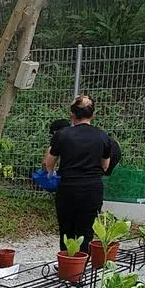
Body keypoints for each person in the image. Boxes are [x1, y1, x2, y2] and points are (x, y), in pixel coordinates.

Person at [43, 95, 112, 252]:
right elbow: (105, 166)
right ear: (93, 114)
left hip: (68, 188)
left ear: (71, 114)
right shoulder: (103, 136)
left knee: (66, 231)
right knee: (86, 232)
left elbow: (49, 164)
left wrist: (51, 174)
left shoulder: (62, 135)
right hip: (92, 189)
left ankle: (66, 262)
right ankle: (81, 264)